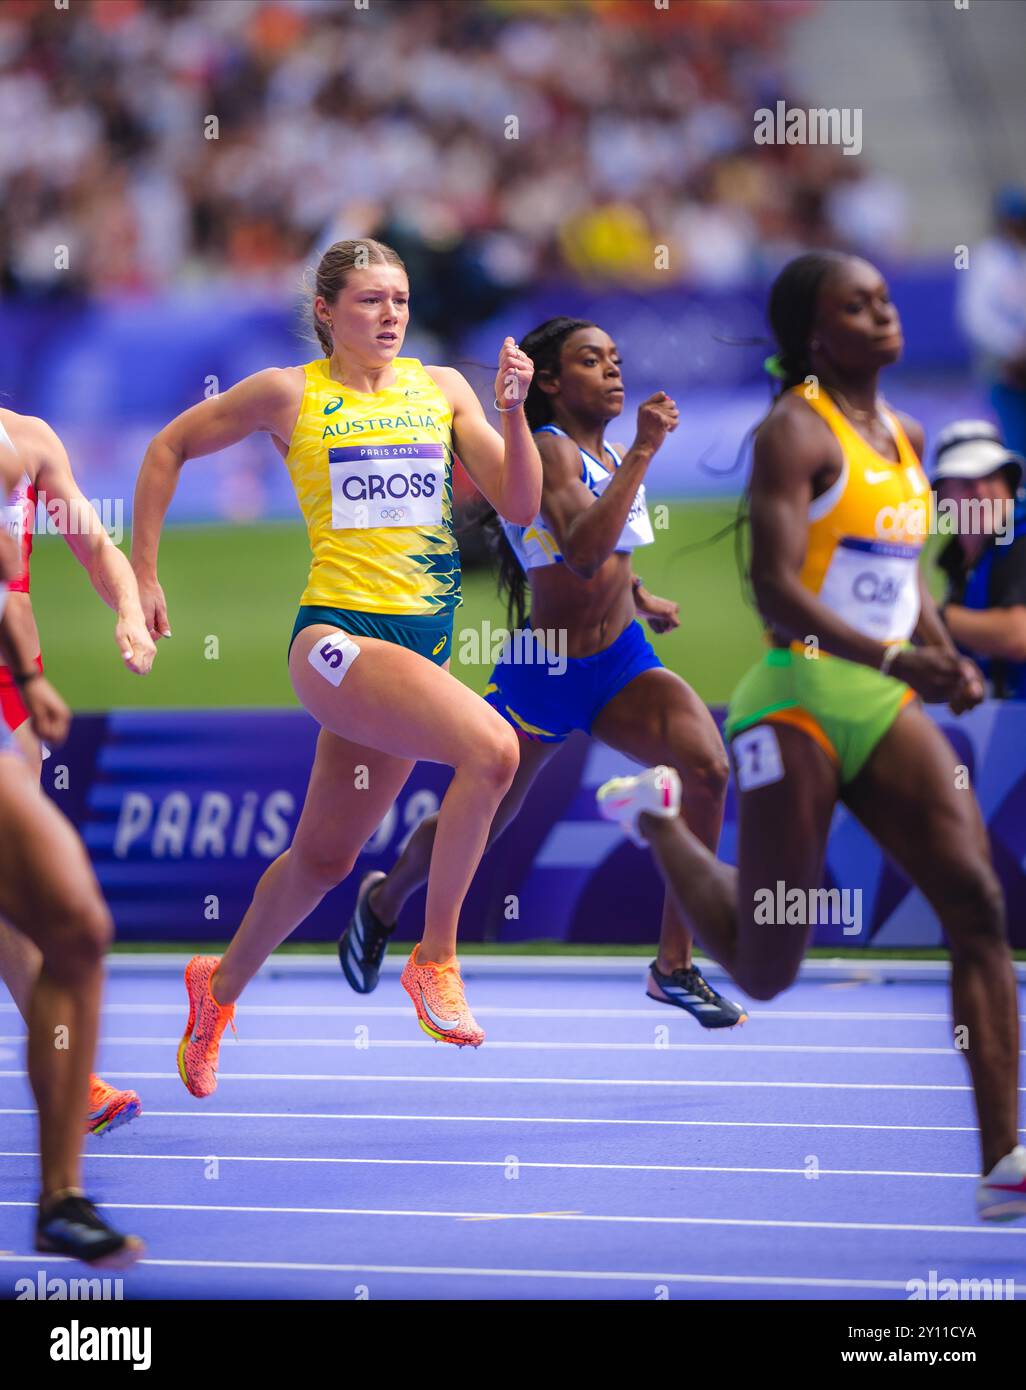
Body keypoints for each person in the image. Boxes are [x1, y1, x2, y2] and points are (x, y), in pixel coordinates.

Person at [596, 252, 1026, 1220]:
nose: (882, 312)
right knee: (765, 964)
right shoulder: (796, 431)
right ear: (817, 336)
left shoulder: (908, 433)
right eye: (856, 305)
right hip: (795, 698)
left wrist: (936, 647)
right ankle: (661, 823)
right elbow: (777, 589)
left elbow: (903, 569)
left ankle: (1004, 1159)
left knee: (977, 903)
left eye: (883, 299)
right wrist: (892, 654)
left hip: (877, 698)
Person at [131, 238, 542, 1094]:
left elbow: (522, 503)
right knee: (494, 750)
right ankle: (436, 959)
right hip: (334, 641)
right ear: (326, 312)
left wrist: (511, 410)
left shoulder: (442, 389)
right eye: (368, 301)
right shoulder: (290, 393)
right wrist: (143, 577)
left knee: (322, 861)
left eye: (398, 299)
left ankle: (218, 988)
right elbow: (166, 449)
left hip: (416, 648)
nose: (390, 315)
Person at [339, 316, 744, 1027]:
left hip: (619, 661)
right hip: (546, 669)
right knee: (487, 819)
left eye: (617, 357)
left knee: (708, 768)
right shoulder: (552, 454)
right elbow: (582, 549)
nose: (614, 370)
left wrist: (639, 596)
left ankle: (674, 966)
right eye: (593, 361)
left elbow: (604, 560)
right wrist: (647, 450)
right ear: (551, 382)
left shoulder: (608, 455)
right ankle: (385, 899)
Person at [0, 413, 152, 1266]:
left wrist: (129, 607)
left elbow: (89, 547)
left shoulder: (27, 441)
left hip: (6, 686)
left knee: (73, 925)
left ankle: (61, 1195)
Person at [932, 419, 1026, 699]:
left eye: (991, 478)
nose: (981, 492)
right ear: (941, 499)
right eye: (965, 482)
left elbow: (1018, 635)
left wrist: (926, 616)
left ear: (1010, 487)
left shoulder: (1021, 539)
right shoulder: (955, 562)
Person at [957, 186, 1026, 458]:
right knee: (1013, 435)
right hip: (1005, 368)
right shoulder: (989, 259)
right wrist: (1014, 348)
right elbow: (976, 318)